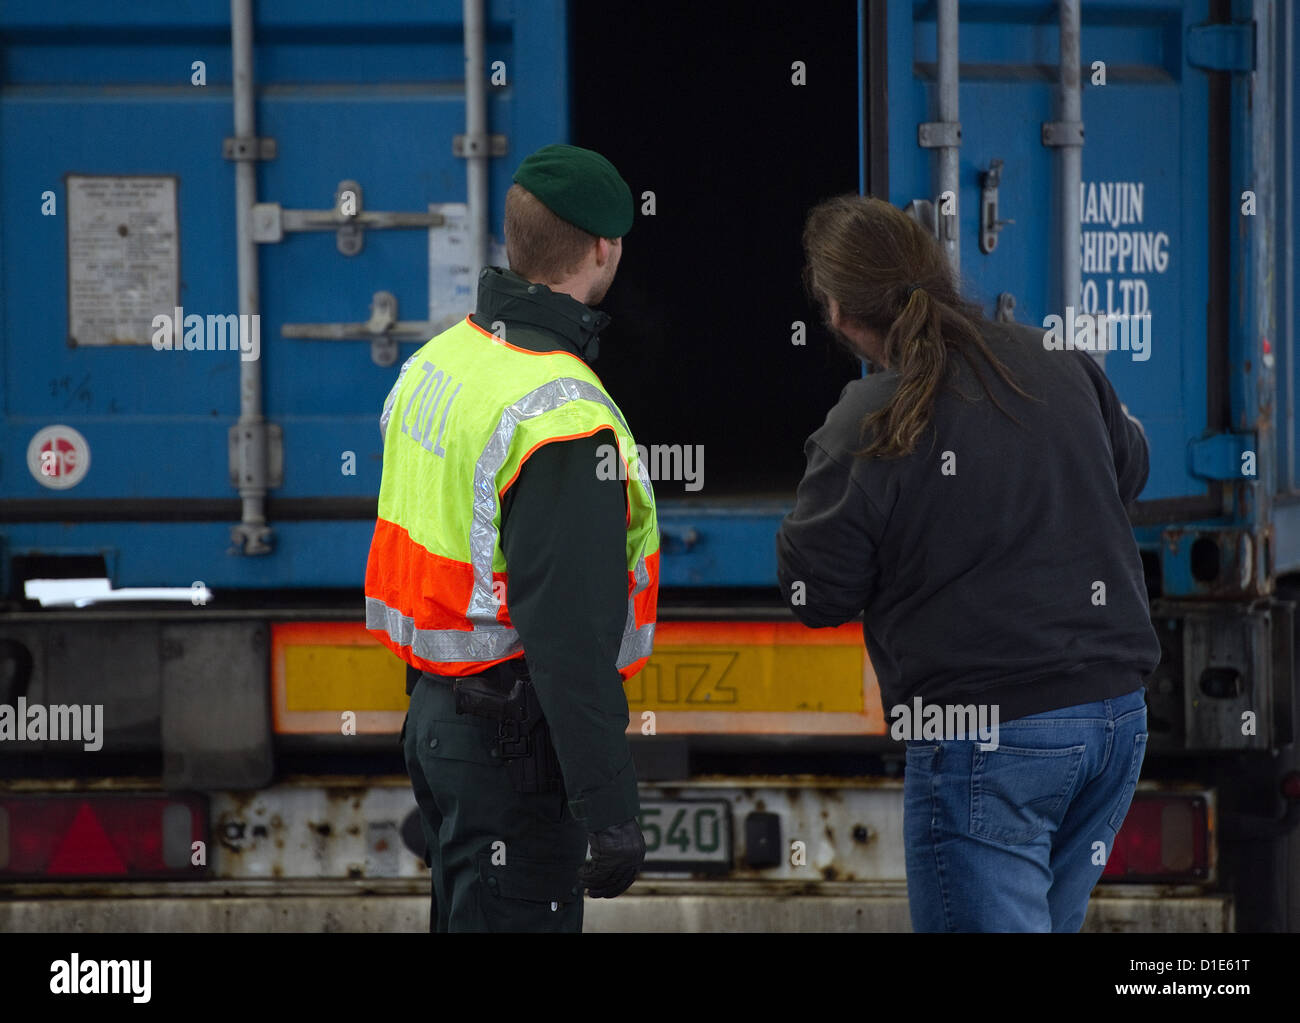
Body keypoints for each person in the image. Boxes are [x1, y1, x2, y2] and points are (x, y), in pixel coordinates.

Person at [776, 194, 1160, 932]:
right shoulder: (1056, 359)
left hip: (990, 735)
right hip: (1115, 716)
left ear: (834, 310)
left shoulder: (867, 418)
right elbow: (1129, 468)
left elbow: (815, 591)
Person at [364, 144, 658, 932]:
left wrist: (439, 750)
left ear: (513, 239)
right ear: (605, 248)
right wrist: (609, 807)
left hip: (442, 716)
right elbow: (566, 632)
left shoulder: (440, 362)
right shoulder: (563, 417)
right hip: (511, 745)